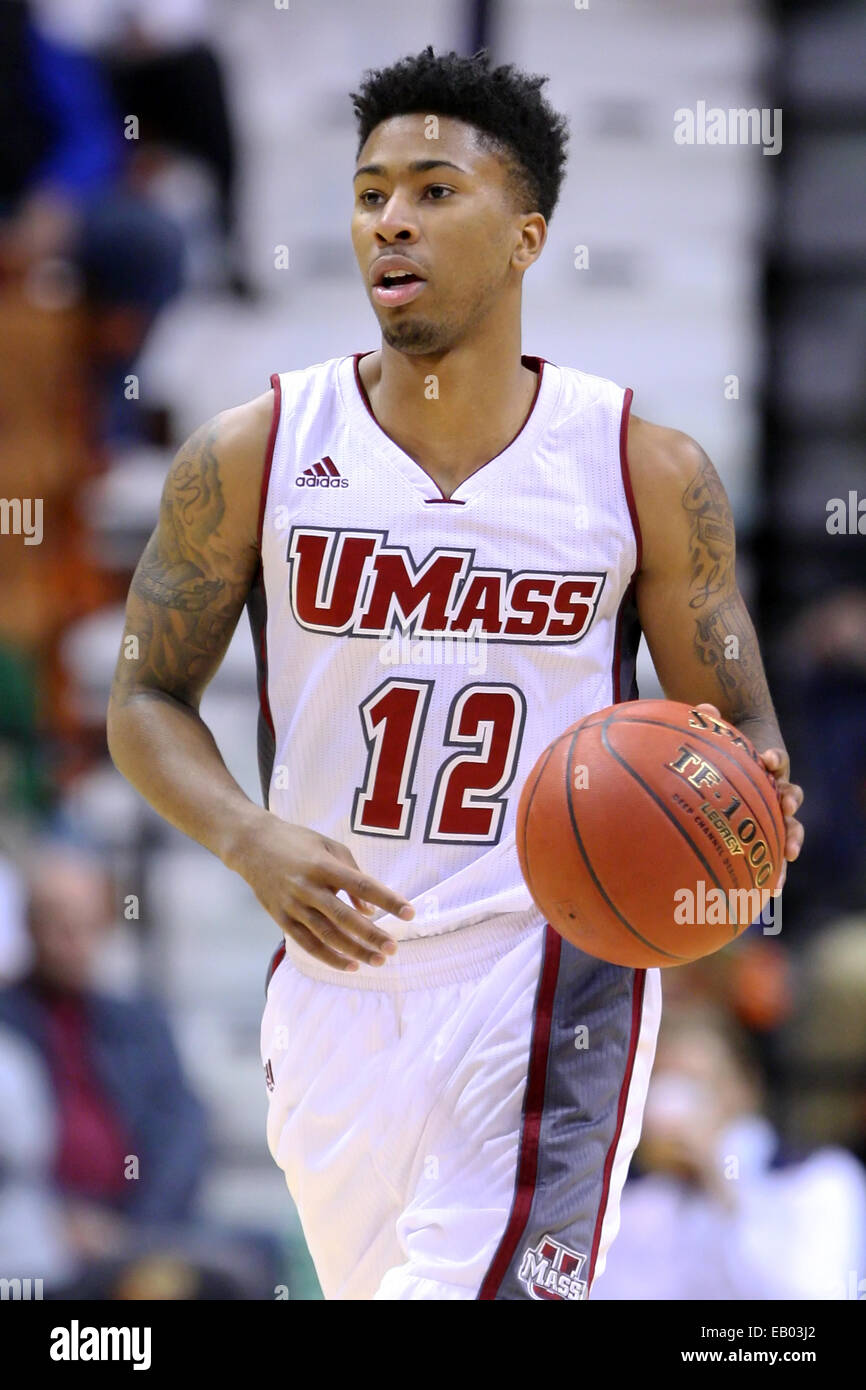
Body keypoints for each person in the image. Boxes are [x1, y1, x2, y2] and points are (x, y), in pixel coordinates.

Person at [106, 48, 805, 1301]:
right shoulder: (255, 452)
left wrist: (750, 810)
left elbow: (738, 726)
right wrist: (245, 837)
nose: (391, 219)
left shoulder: (643, 467)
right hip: (333, 979)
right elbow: (144, 696)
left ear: (526, 233)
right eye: (371, 191)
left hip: (549, 960)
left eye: (434, 189)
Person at [591, 1010, 866, 1301]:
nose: (674, 1105)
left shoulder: (820, 1177)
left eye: (696, 1085)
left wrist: (721, 1189)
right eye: (661, 1084)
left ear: (745, 1087)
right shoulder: (628, 1197)